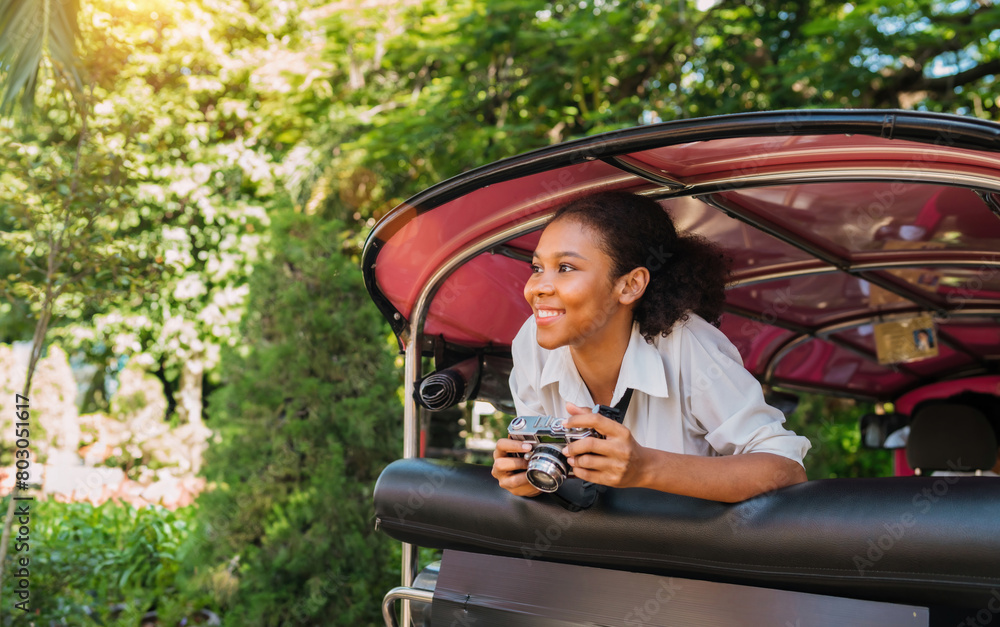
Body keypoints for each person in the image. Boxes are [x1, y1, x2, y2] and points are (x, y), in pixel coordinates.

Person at [491, 191, 810, 503]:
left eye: (565, 268)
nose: (537, 288)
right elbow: (546, 468)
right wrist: (526, 476)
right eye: (537, 268)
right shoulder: (532, 341)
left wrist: (647, 468)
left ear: (630, 285)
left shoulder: (688, 345)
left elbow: (786, 471)